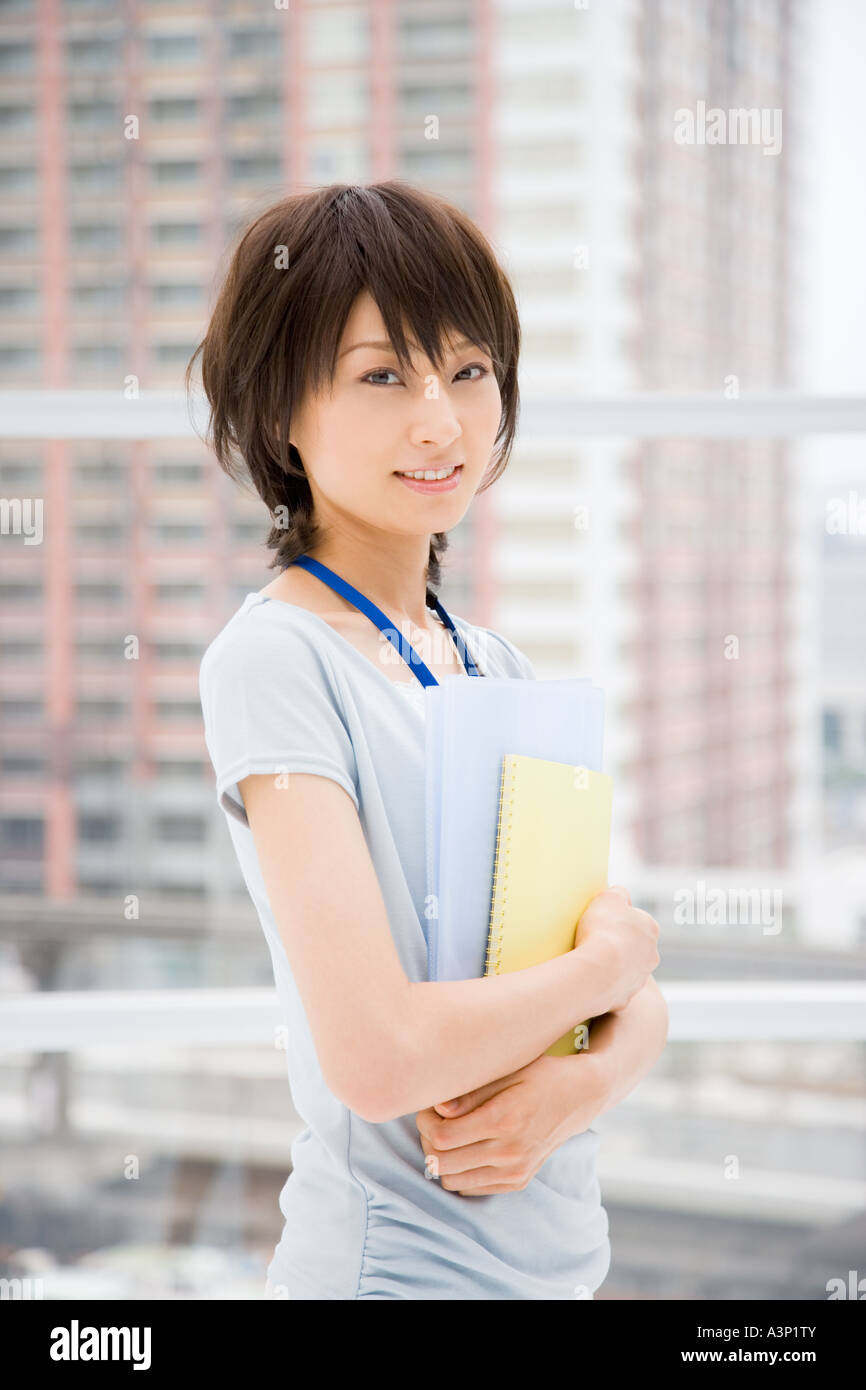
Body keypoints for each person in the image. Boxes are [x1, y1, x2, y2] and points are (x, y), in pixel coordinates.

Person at [190, 181, 667, 1300]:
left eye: (467, 369)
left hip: (552, 1273)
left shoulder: (490, 663)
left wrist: (578, 1086)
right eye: (381, 375)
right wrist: (611, 969)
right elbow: (379, 1053)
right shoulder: (277, 661)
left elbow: (629, 999)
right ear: (279, 413)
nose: (440, 421)